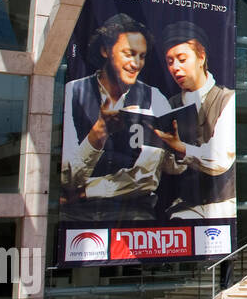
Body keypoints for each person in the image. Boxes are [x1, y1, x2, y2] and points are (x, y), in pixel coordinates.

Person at [61, 13, 170, 223]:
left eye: (142, 56)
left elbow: (146, 178)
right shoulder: (72, 92)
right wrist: (98, 133)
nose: (136, 63)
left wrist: (84, 191)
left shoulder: (155, 98)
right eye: (129, 54)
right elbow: (67, 178)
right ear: (105, 50)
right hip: (76, 215)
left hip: (133, 212)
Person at [153, 21, 236, 220]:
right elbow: (173, 168)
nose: (175, 68)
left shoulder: (227, 99)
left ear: (201, 57)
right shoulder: (169, 104)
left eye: (182, 59)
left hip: (222, 205)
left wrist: (181, 148)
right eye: (170, 62)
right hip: (184, 204)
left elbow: (220, 160)